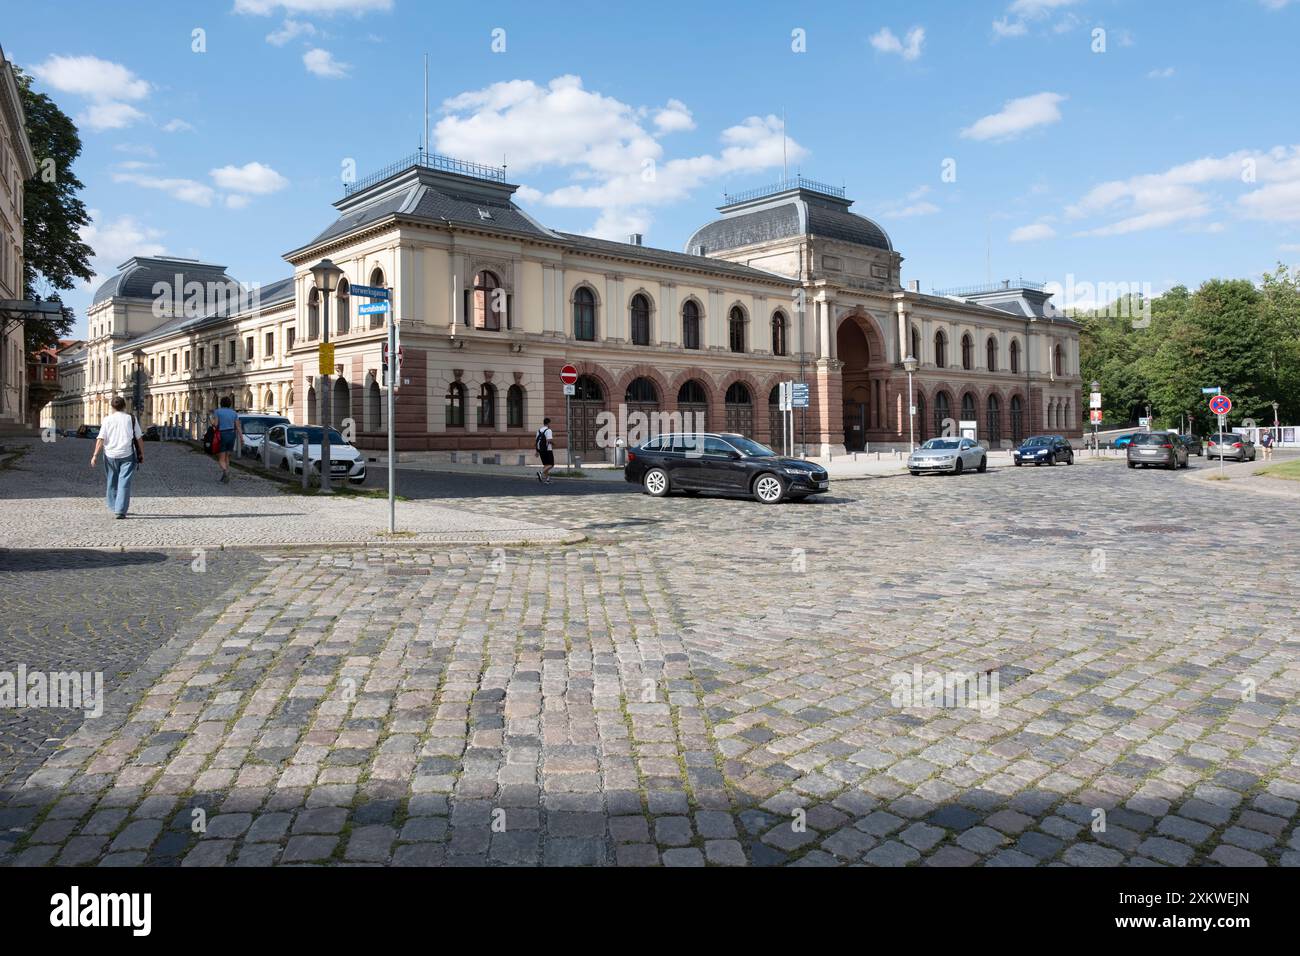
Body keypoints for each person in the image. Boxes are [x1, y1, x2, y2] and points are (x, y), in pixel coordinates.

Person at [89, 396, 143, 519]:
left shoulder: (107, 420)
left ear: (112, 407)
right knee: (124, 482)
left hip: (110, 455)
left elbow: (101, 438)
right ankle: (120, 510)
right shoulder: (131, 419)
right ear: (124, 406)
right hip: (127, 454)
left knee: (112, 481)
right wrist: (141, 454)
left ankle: (114, 506)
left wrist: (95, 455)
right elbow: (139, 438)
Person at [211, 396, 242, 483]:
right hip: (232, 434)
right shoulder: (234, 413)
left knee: (221, 458)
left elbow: (216, 424)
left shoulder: (217, 411)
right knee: (227, 456)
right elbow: (238, 426)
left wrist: (212, 422)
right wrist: (241, 438)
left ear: (221, 403)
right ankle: (225, 475)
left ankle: (225, 472)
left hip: (222, 434)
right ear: (230, 404)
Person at [535, 417, 555, 484]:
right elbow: (549, 440)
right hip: (547, 450)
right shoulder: (548, 430)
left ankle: (547, 480)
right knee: (551, 464)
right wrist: (554, 443)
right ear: (548, 423)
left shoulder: (539, 430)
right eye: (550, 423)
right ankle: (541, 472)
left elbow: (537, 441)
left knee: (546, 465)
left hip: (541, 450)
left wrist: (537, 451)